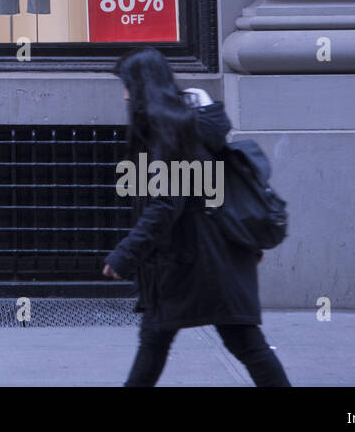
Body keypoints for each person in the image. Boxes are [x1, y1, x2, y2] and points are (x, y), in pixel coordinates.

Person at [102, 47, 291, 387]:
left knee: (240, 342)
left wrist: (126, 255)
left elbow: (165, 205)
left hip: (200, 261)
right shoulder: (188, 126)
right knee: (165, 339)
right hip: (205, 257)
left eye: (128, 86)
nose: (126, 95)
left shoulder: (173, 134)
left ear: (143, 87)